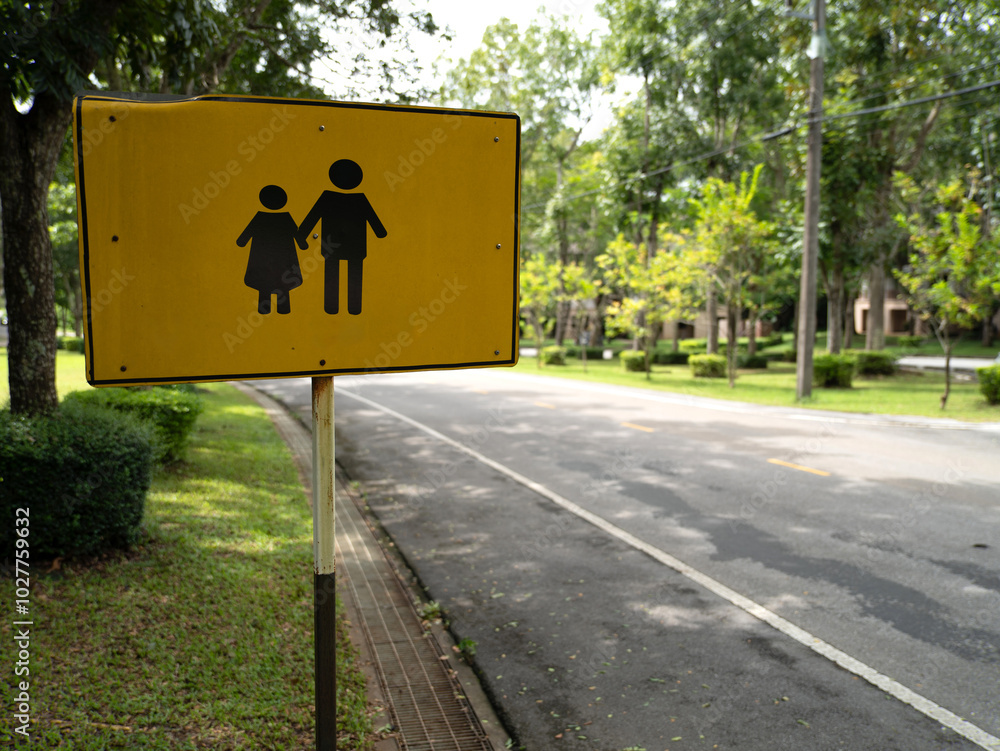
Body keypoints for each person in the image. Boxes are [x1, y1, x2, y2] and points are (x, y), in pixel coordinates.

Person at [297, 159, 387, 315]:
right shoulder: (360, 200)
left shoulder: (327, 197)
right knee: (355, 275)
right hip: (355, 247)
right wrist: (380, 233)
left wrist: (301, 236)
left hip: (331, 246)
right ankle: (354, 308)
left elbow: (312, 217)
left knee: (331, 274)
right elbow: (377, 226)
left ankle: (331, 308)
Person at [237, 185, 306, 314]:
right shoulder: (286, 218)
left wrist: (241, 242)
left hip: (262, 259)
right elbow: (299, 237)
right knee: (284, 284)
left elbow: (243, 239)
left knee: (263, 284)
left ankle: (264, 309)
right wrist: (303, 245)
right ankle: (284, 309)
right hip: (284, 259)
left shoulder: (260, 217)